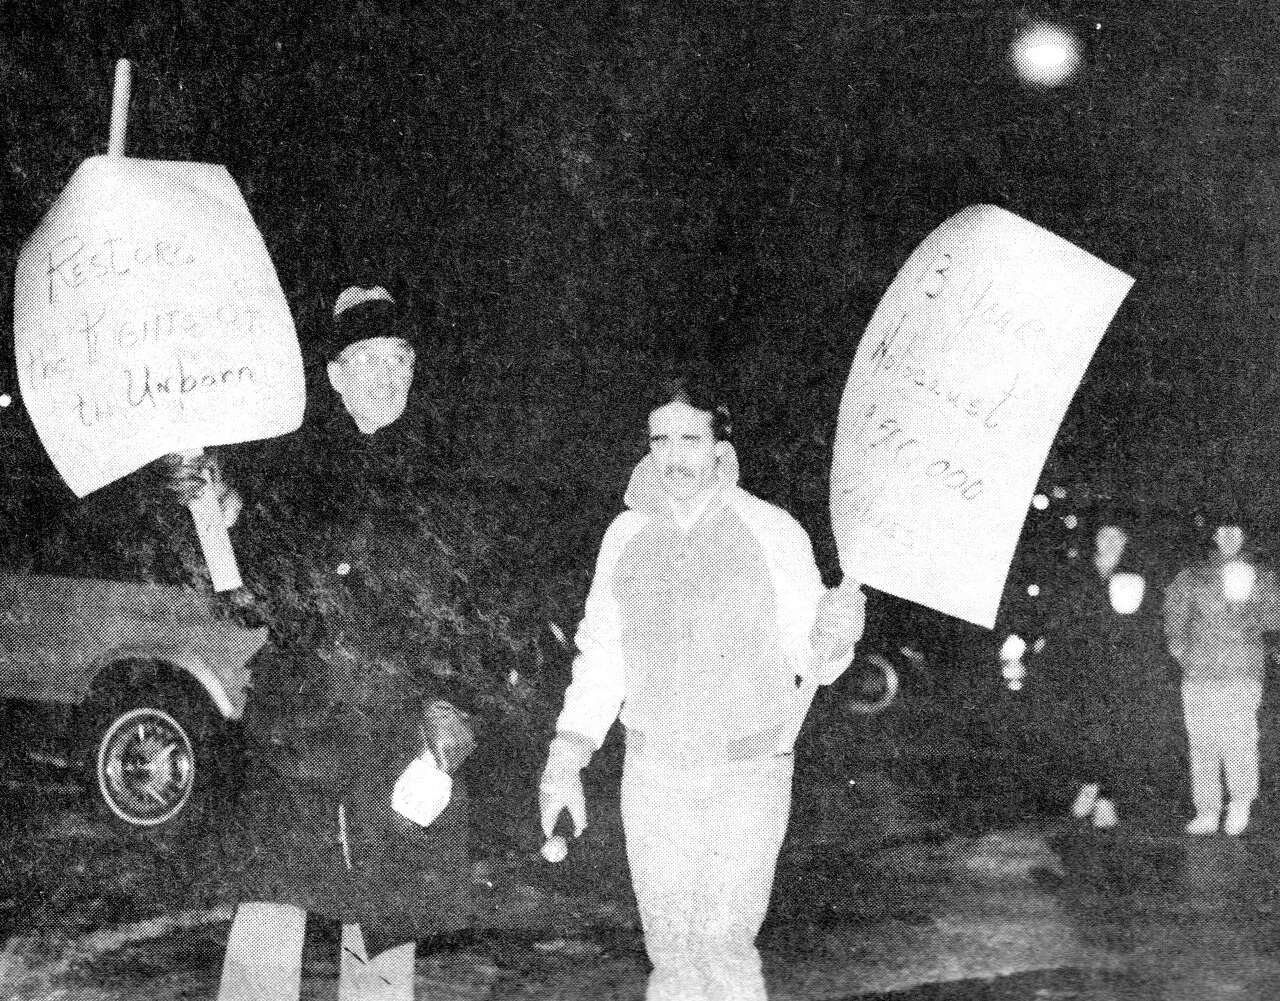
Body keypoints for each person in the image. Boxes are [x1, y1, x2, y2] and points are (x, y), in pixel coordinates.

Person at [537, 378, 866, 1001]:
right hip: (654, 770)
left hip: (748, 772)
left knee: (724, 948)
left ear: (721, 448)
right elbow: (603, 656)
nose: (673, 455)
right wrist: (566, 758)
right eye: (659, 440)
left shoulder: (771, 530)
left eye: (690, 438)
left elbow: (812, 661)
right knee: (670, 952)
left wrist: (834, 635)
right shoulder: (625, 535)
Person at [215, 285, 478, 1001]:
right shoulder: (290, 475)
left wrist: (451, 720)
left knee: (383, 920)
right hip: (297, 729)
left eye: (401, 358)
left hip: (396, 731)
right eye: (369, 358)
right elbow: (248, 601)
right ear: (334, 375)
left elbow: (469, 614)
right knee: (272, 903)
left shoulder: (443, 477)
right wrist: (221, 526)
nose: (389, 375)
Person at [1048, 520, 1169, 830]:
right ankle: (1090, 783)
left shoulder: (1138, 575)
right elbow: (1063, 616)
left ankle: (1107, 798)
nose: (1111, 541)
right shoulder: (1079, 573)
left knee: (1118, 731)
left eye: (1117, 536)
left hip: (1123, 667)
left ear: (1126, 541)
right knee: (1085, 728)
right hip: (1084, 665)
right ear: (1096, 539)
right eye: (1104, 535)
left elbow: (1151, 621)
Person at [1164, 518, 1280, 836]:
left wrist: (1250, 604)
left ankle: (1240, 802)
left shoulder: (1263, 576)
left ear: (1244, 535)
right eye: (1223, 531)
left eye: (1235, 531)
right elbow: (1174, 619)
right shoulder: (1192, 575)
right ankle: (1207, 809)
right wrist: (1184, 653)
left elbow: (1275, 619)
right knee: (1202, 740)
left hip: (1242, 668)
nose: (1229, 536)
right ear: (1214, 535)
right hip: (1200, 670)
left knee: (1239, 737)